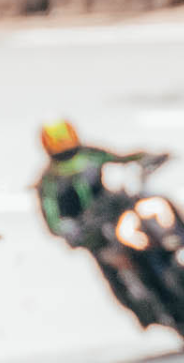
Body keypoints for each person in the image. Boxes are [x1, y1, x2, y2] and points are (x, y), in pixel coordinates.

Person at [35, 118, 166, 320]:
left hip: (115, 212)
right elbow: (52, 218)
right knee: (111, 268)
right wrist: (67, 228)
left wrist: (145, 157)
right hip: (90, 231)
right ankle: (142, 308)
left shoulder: (91, 155)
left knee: (158, 220)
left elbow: (121, 159)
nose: (63, 147)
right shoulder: (49, 180)